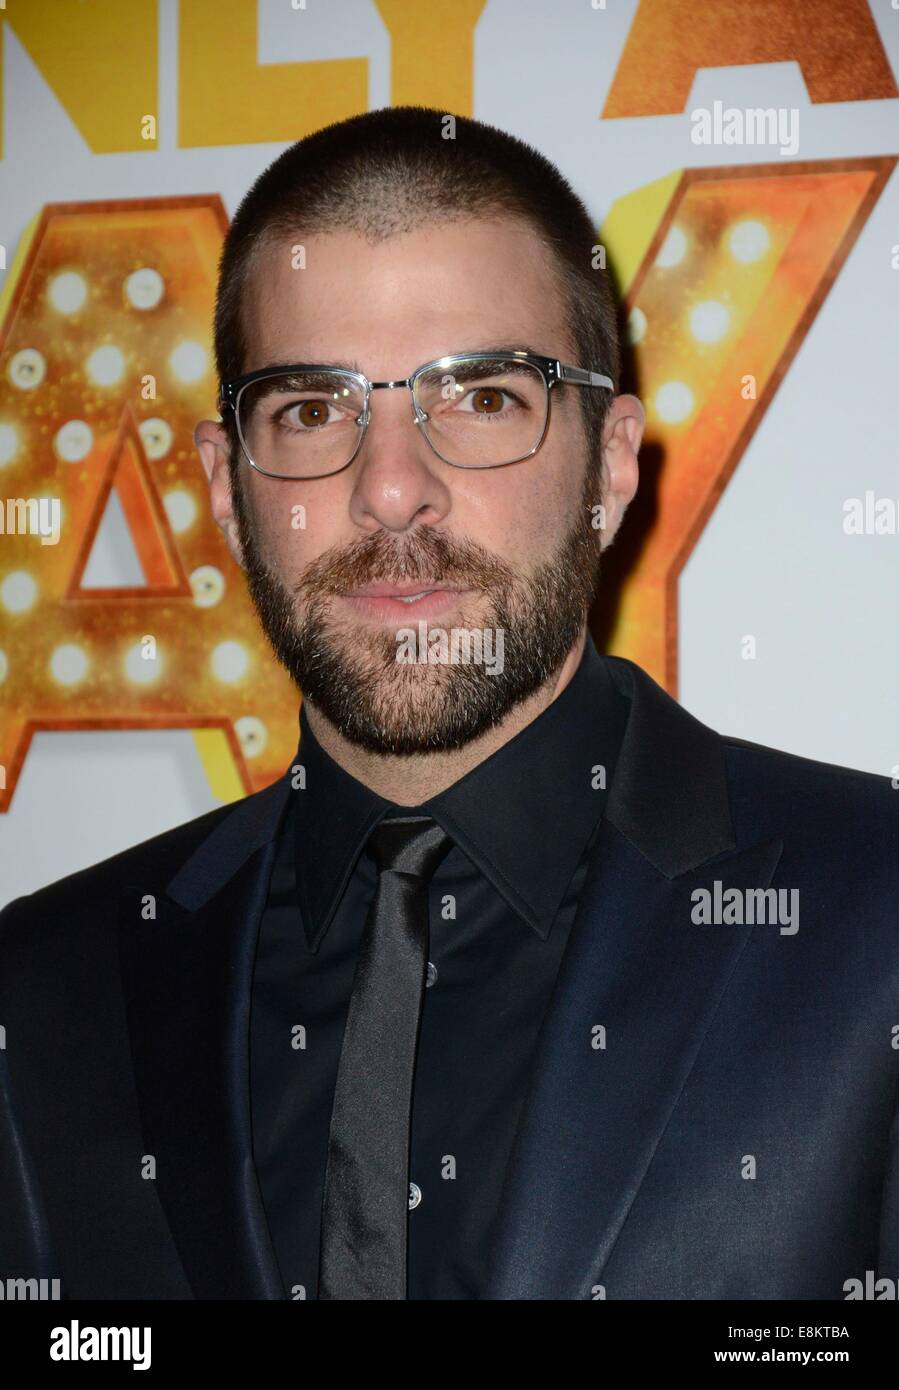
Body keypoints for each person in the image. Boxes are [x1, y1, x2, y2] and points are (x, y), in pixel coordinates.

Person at [1, 105, 896, 1302]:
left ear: (611, 462)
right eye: (312, 410)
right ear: (227, 484)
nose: (388, 491)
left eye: (479, 396)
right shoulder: (47, 986)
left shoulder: (871, 914)